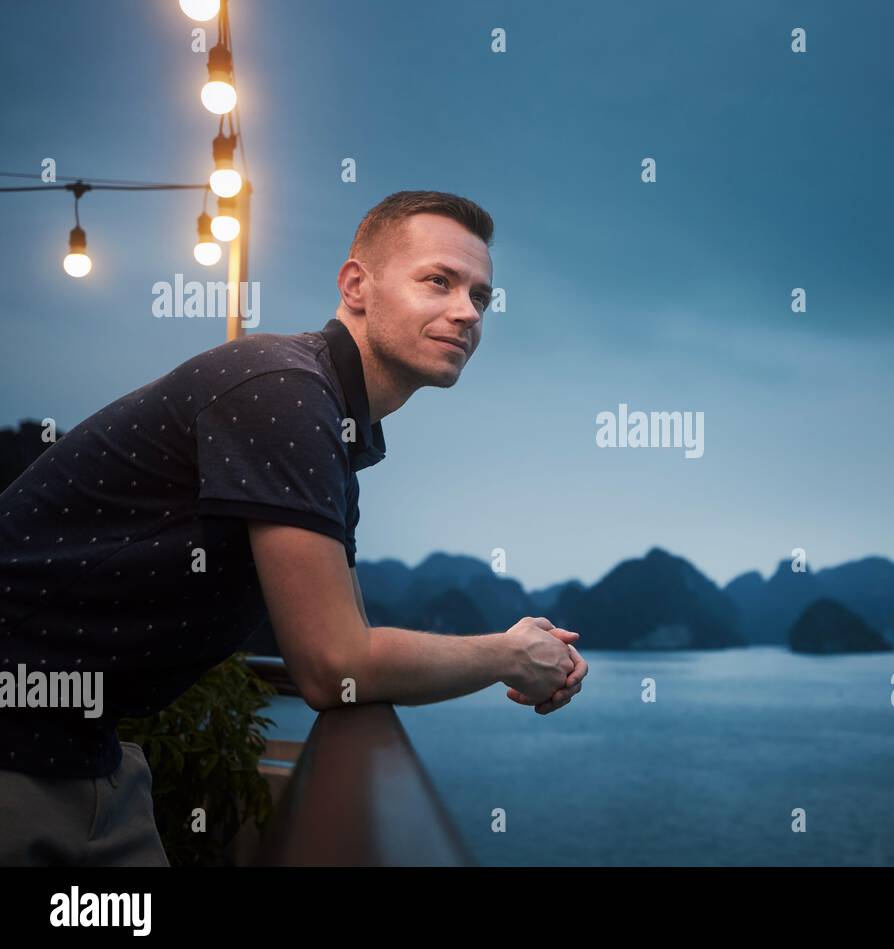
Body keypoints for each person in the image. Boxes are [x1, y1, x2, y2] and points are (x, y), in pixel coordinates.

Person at [0, 190, 587, 865]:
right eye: (438, 281)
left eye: (481, 296)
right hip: (21, 759)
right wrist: (509, 655)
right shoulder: (283, 390)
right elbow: (335, 665)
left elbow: (353, 640)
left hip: (89, 753)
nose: (468, 311)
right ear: (355, 285)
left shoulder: (334, 424)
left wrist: (515, 650)